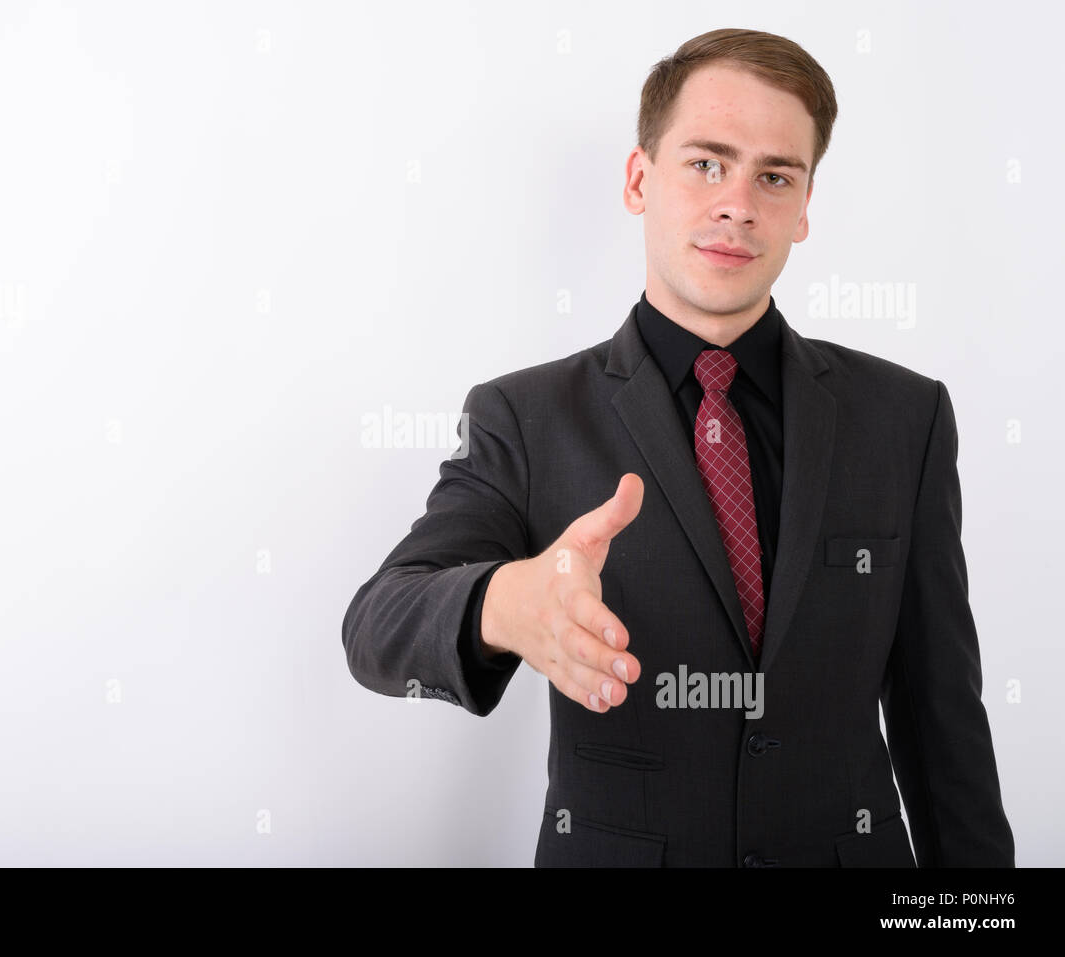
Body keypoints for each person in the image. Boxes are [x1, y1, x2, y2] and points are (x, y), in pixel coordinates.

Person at [341, 27, 1013, 867]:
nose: (738, 202)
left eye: (775, 175)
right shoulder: (526, 415)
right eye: (706, 162)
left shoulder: (904, 417)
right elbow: (377, 622)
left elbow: (940, 716)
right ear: (638, 179)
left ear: (805, 208)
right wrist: (506, 604)